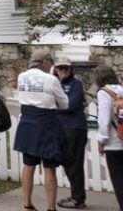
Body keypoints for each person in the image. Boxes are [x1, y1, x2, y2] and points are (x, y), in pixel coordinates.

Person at [14, 49, 69, 211]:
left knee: (28, 164)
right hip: (46, 122)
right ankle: (51, 207)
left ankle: (27, 204)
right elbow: (64, 104)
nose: (52, 66)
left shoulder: (21, 76)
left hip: (27, 121)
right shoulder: (51, 79)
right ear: (45, 62)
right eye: (51, 63)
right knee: (49, 166)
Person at [55, 56, 87, 209]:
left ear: (71, 69)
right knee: (67, 164)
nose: (63, 71)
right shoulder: (54, 83)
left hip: (74, 128)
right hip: (61, 129)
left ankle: (78, 199)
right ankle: (76, 195)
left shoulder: (76, 84)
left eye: (66, 68)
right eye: (60, 68)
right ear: (55, 69)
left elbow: (70, 105)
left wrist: (54, 107)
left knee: (74, 164)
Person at [95, 64, 123, 211]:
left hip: (114, 143)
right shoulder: (121, 90)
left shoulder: (104, 93)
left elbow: (104, 119)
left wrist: (101, 141)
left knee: (118, 179)